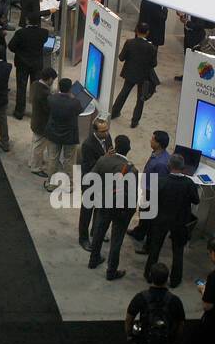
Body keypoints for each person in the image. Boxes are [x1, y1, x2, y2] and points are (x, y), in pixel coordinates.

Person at [142, 153, 199, 287]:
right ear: (183, 167)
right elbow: (196, 200)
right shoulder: (188, 183)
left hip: (161, 220)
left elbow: (152, 200)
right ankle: (175, 280)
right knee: (178, 252)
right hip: (180, 222)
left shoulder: (161, 181)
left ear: (169, 166)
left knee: (155, 248)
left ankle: (149, 274)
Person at [88, 134, 139, 281]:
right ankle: (111, 271)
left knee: (99, 231)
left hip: (104, 203)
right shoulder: (131, 170)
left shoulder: (103, 160)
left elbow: (91, 178)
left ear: (115, 146)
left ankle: (93, 259)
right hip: (121, 210)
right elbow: (132, 195)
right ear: (128, 149)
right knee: (116, 240)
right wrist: (130, 212)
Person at [125, 262, 185, 344]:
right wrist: (174, 340)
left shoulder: (141, 297)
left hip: (143, 342)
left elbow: (129, 319)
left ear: (151, 277)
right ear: (167, 279)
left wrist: (130, 335)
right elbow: (181, 325)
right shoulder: (175, 300)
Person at [111, 22, 158, 128]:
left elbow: (121, 57)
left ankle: (114, 113)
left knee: (124, 93)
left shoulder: (129, 43)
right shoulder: (152, 48)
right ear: (147, 33)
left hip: (130, 73)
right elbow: (154, 64)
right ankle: (134, 121)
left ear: (136, 30)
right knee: (141, 99)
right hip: (144, 76)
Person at [77, 115, 113, 249]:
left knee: (99, 209)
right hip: (90, 182)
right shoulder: (87, 144)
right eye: (103, 131)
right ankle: (83, 238)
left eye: (107, 130)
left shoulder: (108, 137)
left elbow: (110, 152)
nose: (106, 133)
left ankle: (96, 231)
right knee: (86, 213)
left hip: (103, 182)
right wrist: (105, 158)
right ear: (95, 131)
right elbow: (88, 166)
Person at [43, 78, 83, 192]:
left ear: (59, 87)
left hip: (53, 134)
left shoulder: (51, 99)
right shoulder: (75, 102)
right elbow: (79, 111)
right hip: (69, 136)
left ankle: (51, 183)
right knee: (69, 160)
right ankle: (69, 186)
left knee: (52, 158)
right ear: (70, 89)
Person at [9, 14, 48, 119]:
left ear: (27, 21)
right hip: (37, 65)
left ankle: (19, 112)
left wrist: (20, 52)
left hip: (22, 64)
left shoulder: (20, 33)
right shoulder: (44, 33)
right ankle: (36, 113)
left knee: (21, 88)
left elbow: (11, 46)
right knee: (36, 89)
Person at [27, 67, 57, 179]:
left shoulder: (35, 84)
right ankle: (35, 167)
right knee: (39, 146)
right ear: (49, 79)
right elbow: (50, 109)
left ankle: (32, 162)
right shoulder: (44, 93)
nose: (53, 82)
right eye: (52, 80)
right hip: (42, 124)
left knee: (36, 143)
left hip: (35, 120)